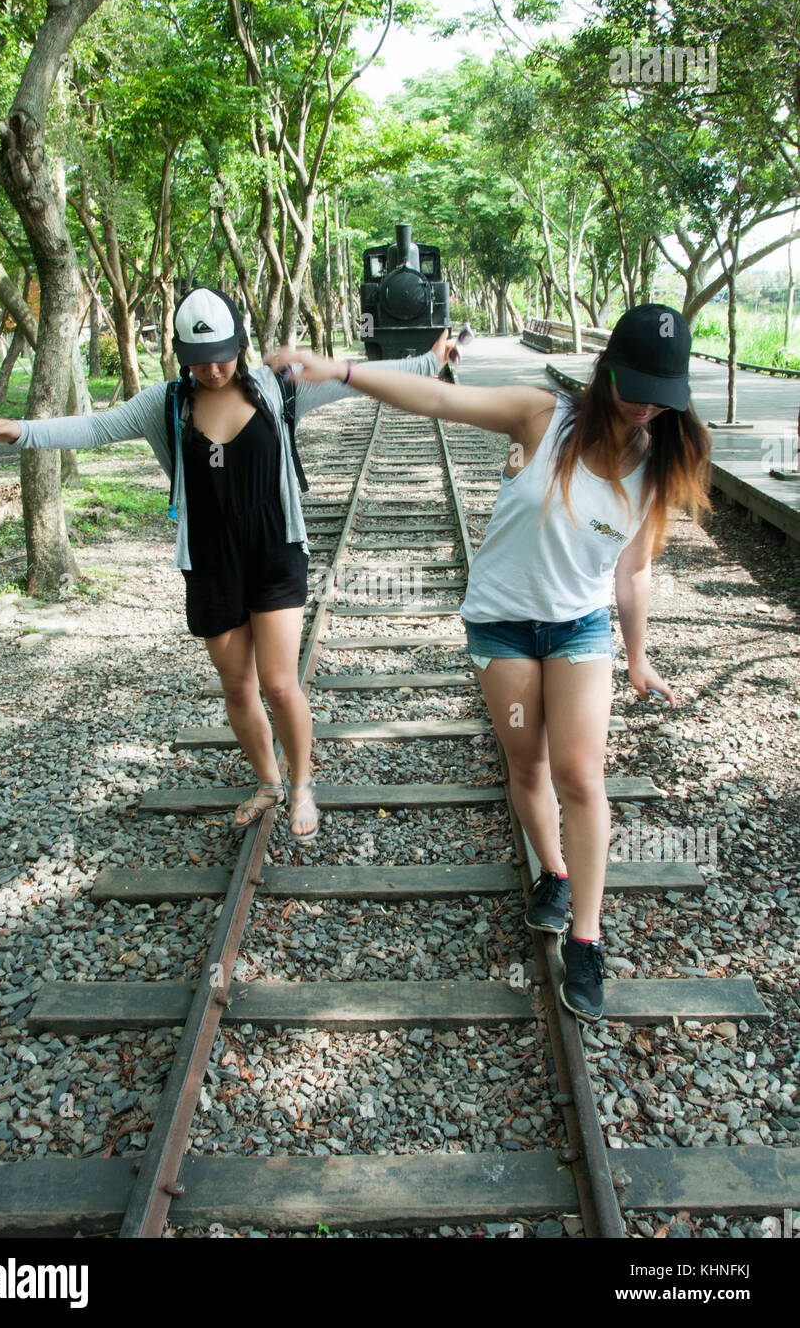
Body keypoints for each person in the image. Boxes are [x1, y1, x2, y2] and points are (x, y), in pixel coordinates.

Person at [264, 303, 711, 1018]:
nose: (646, 407)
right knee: (527, 762)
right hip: (501, 627)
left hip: (580, 632)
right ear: (606, 373)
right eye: (636, 388)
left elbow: (631, 572)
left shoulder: (660, 458)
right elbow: (441, 398)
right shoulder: (543, 416)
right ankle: (553, 873)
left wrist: (638, 657)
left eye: (662, 394)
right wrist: (343, 370)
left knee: (580, 775)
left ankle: (587, 941)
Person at [0, 287, 453, 843]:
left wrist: (425, 361)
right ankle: (268, 781)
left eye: (223, 353)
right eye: (199, 358)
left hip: (274, 549)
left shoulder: (277, 386)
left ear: (241, 344)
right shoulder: (169, 402)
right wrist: (23, 432)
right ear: (181, 355)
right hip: (209, 558)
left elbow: (355, 382)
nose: (214, 367)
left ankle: (302, 786)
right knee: (237, 686)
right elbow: (98, 428)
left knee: (278, 682)